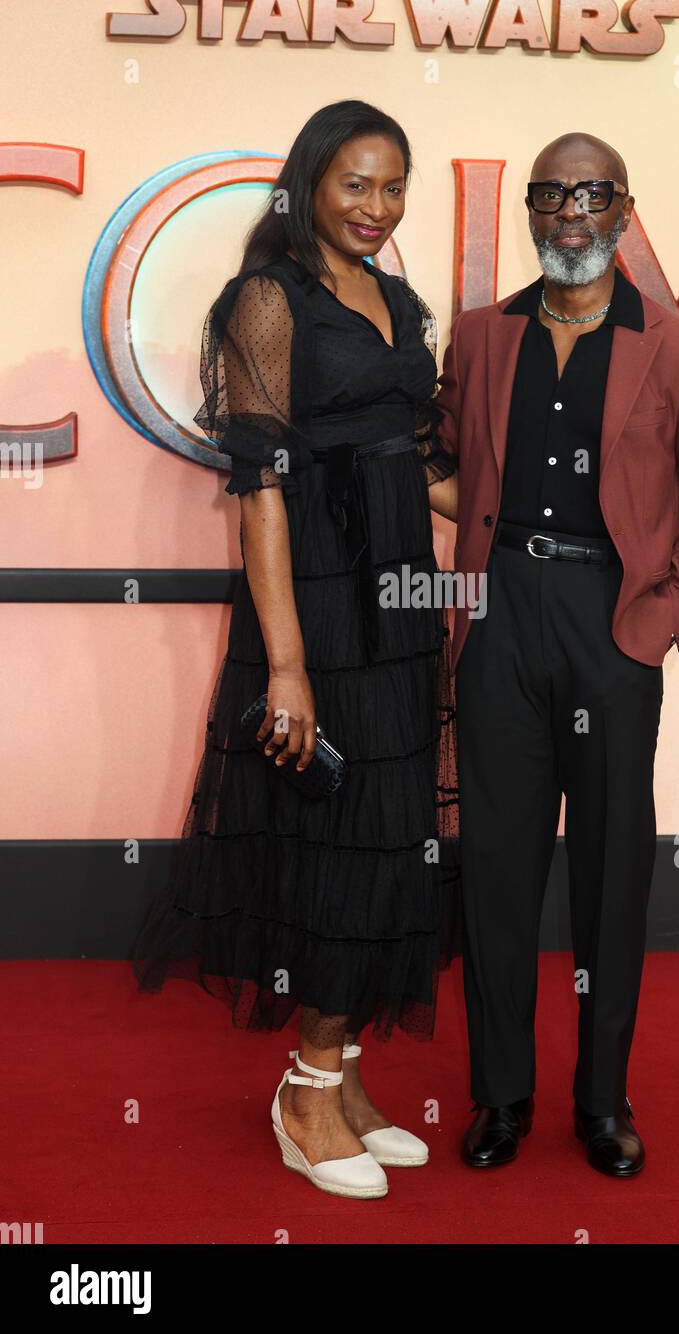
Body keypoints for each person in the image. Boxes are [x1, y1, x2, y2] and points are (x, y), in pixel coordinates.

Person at [131, 100, 460, 1201]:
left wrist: (578, 509)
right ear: (310, 183)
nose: (376, 207)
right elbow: (258, 489)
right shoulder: (268, 300)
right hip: (314, 610)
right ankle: (302, 1096)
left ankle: (347, 1077)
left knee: (388, 841)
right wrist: (285, 665)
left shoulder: (401, 303)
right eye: (355, 184)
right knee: (334, 849)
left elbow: (417, 465)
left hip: (399, 611)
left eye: (394, 186)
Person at [435, 131, 679, 1177]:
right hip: (500, 620)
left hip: (612, 627)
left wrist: (660, 621)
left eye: (592, 193)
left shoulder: (678, 350)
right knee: (494, 870)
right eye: (551, 194)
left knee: (613, 874)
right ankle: (499, 1096)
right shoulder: (480, 340)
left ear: (621, 209)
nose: (570, 211)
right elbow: (449, 470)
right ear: (530, 211)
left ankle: (602, 1100)